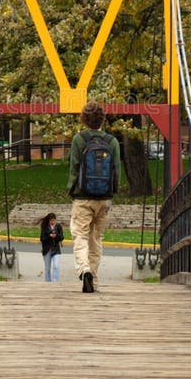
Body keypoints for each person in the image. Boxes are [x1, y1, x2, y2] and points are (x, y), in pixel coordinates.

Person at [67, 101, 120, 293]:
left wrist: (71, 190)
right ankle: (94, 281)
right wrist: (112, 192)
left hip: (83, 197)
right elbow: (117, 171)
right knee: (96, 238)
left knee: (80, 234)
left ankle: (84, 269)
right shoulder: (112, 141)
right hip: (104, 198)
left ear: (84, 119)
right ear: (103, 119)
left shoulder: (79, 140)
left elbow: (73, 168)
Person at [39, 212, 64, 282]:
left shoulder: (58, 226)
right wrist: (49, 236)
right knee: (47, 269)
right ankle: (48, 282)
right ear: (48, 220)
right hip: (47, 249)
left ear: (55, 220)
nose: (52, 222)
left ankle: (55, 282)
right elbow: (42, 238)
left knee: (56, 266)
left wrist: (56, 236)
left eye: (53, 220)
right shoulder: (45, 227)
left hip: (56, 249)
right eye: (51, 220)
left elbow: (62, 237)